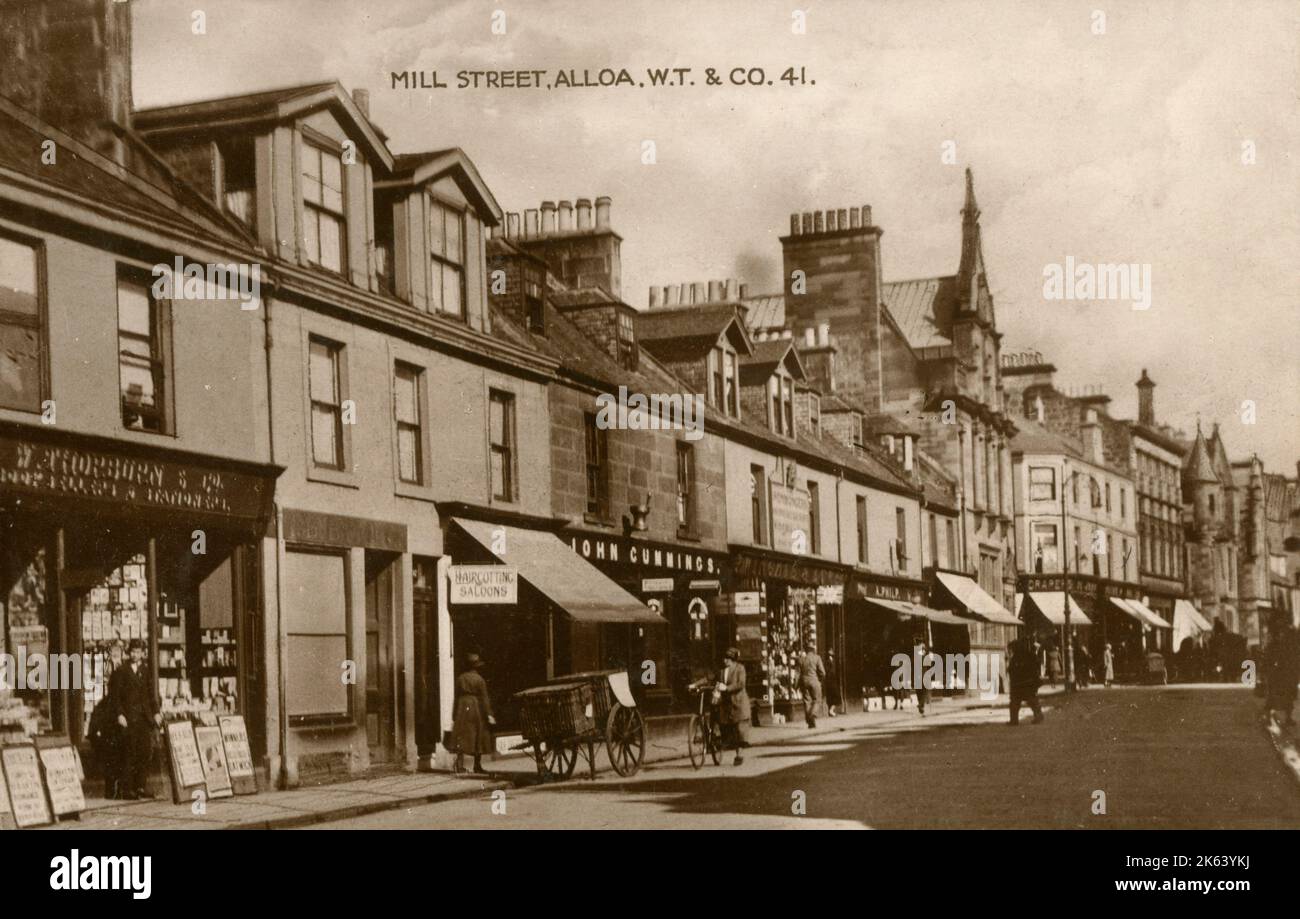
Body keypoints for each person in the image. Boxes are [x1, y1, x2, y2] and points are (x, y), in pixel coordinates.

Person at [107, 640, 161, 799]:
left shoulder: (145, 670)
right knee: (129, 753)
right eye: (132, 651)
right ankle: (127, 788)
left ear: (143, 653)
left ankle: (140, 786)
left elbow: (152, 695)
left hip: (144, 718)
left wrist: (156, 712)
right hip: (129, 718)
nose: (135, 655)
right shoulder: (121, 671)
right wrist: (119, 715)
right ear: (128, 653)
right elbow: (115, 697)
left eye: (138, 652)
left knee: (144, 752)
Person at [451, 652, 495, 775]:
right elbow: (485, 698)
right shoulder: (480, 680)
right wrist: (489, 714)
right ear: (477, 667)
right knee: (478, 734)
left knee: (461, 734)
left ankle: (460, 765)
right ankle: (477, 765)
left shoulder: (460, 678)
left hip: (462, 706)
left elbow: (456, 696)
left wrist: (454, 714)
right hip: (475, 707)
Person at [716, 648, 751, 765]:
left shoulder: (740, 668)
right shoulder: (721, 671)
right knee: (729, 729)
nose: (725, 660)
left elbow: (741, 683)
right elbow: (709, 678)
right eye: (724, 658)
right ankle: (728, 747)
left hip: (739, 703)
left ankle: (739, 755)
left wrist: (727, 688)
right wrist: (695, 684)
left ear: (733, 660)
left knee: (740, 730)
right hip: (727, 705)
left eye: (727, 658)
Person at [1266, 624, 1299, 727]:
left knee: (1281, 695)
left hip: (1282, 674)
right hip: (1286, 674)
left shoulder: (1277, 644)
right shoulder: (1291, 645)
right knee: (1286, 696)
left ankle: (1275, 717)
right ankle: (1285, 718)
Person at [1008, 635, 1044, 725]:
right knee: (1031, 700)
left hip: (1021, 683)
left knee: (1016, 703)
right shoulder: (1029, 655)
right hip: (1027, 683)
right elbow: (1036, 666)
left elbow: (1011, 670)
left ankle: (1014, 720)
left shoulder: (1017, 657)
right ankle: (1038, 716)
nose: (1012, 650)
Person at [796, 647, 826, 728]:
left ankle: (810, 723)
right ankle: (812, 715)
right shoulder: (817, 658)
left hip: (804, 682)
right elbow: (823, 672)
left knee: (807, 701)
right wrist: (820, 680)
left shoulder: (802, 659)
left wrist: (796, 685)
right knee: (817, 700)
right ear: (813, 651)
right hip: (814, 681)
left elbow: (798, 673)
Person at [824, 649, 841, 717]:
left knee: (833, 696)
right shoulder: (829, 662)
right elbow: (829, 672)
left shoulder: (831, 662)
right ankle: (831, 710)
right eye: (830, 656)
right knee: (836, 696)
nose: (831, 657)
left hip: (831, 682)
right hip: (831, 682)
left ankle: (831, 710)